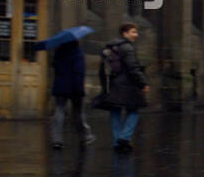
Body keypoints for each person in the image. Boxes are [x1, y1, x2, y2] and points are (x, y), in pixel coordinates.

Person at [103, 23, 149, 152]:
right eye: (133, 32)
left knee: (115, 111)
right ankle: (124, 137)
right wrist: (143, 83)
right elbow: (133, 68)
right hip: (128, 84)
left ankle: (117, 142)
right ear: (125, 33)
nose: (136, 35)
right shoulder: (128, 48)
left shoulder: (112, 46)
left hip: (115, 83)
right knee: (133, 110)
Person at [50, 39, 94, 149]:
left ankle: (57, 140)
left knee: (59, 110)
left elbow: (55, 66)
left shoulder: (58, 52)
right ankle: (85, 135)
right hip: (75, 86)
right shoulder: (77, 53)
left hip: (60, 86)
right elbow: (79, 71)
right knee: (77, 113)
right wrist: (80, 87)